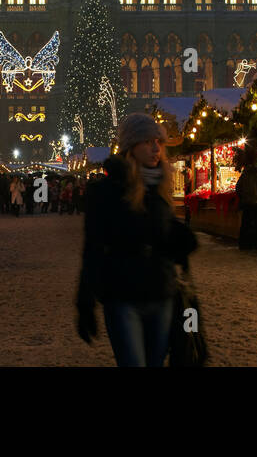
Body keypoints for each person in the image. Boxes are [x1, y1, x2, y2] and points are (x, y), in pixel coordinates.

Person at [76, 113, 197, 367]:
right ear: (131, 146)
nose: (156, 148)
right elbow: (93, 248)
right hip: (123, 295)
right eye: (148, 141)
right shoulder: (106, 191)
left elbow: (164, 237)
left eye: (159, 142)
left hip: (161, 293)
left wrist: (181, 240)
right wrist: (85, 300)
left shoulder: (160, 187)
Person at [235, 154, 257, 250]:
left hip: (246, 203)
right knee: (256, 225)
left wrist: (242, 197)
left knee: (245, 224)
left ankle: (244, 244)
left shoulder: (244, 175)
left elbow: (238, 188)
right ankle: (254, 244)